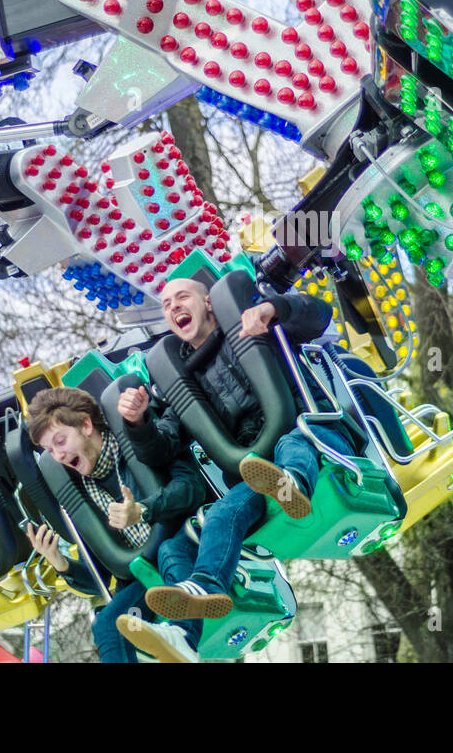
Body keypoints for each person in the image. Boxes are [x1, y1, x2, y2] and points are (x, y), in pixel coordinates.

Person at [113, 276, 353, 654]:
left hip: (317, 436)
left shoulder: (253, 325)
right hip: (259, 476)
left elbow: (320, 315)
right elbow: (163, 449)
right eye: (165, 304)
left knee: (292, 443)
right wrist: (139, 423)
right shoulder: (183, 386)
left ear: (208, 302)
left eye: (181, 297)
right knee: (223, 513)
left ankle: (292, 485)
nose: (173, 306)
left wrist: (273, 309)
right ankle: (194, 615)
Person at [23, 386, 205, 663]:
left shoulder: (140, 443)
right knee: (108, 623)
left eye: (60, 442)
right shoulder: (81, 493)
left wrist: (144, 510)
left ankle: (184, 637)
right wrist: (60, 563)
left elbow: (191, 487)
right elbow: (102, 579)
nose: (58, 456)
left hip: (186, 542)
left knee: (170, 552)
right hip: (145, 576)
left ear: (85, 425)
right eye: (49, 449)